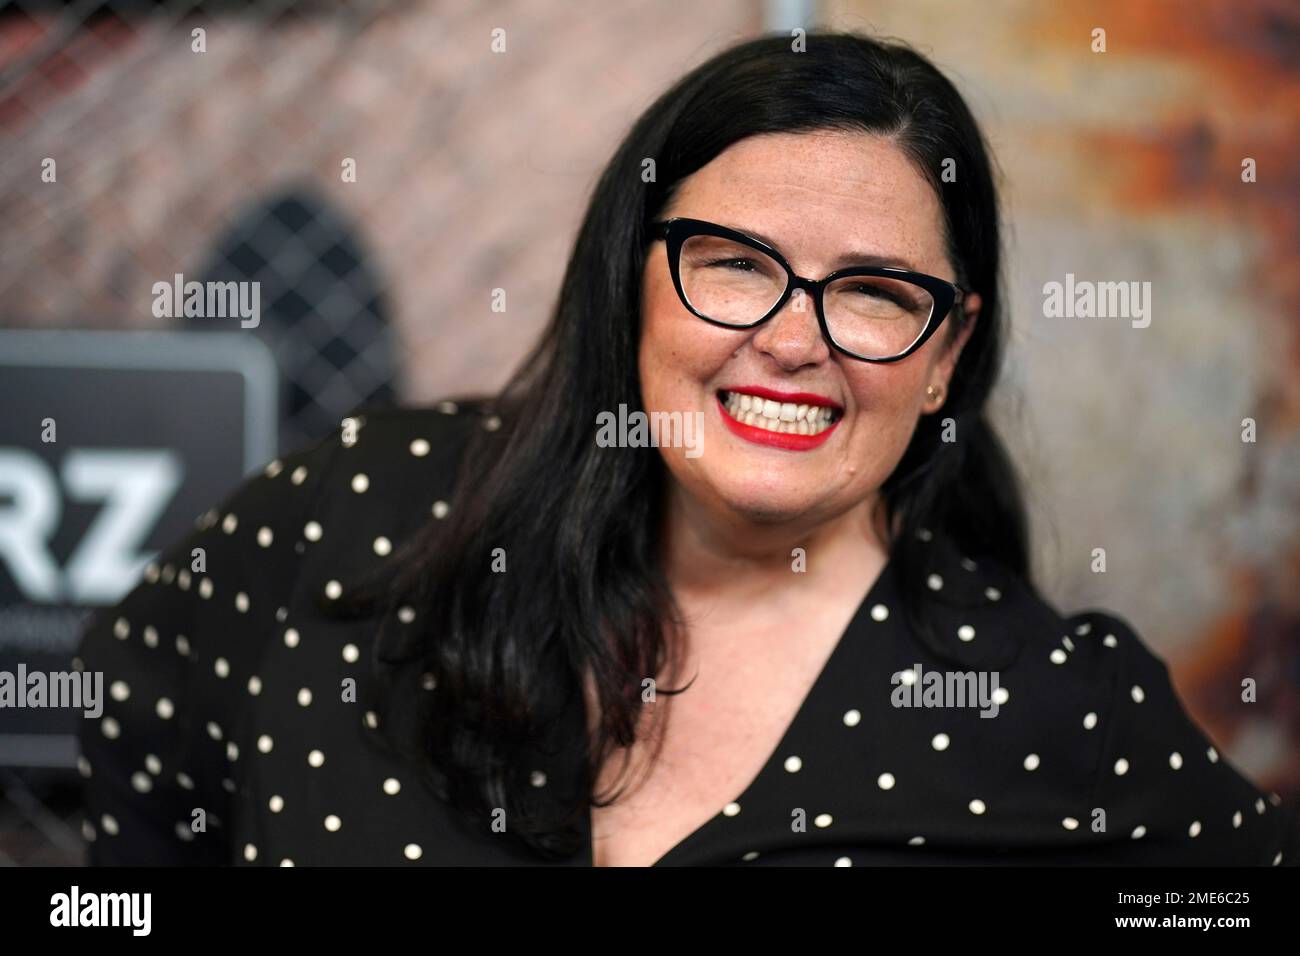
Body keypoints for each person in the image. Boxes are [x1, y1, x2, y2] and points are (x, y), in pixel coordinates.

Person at [76, 30, 1298, 866]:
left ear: (942, 352)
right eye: (734, 265)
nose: (788, 341)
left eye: (871, 292)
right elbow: (137, 734)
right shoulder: (364, 505)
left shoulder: (1055, 711)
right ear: (635, 282)